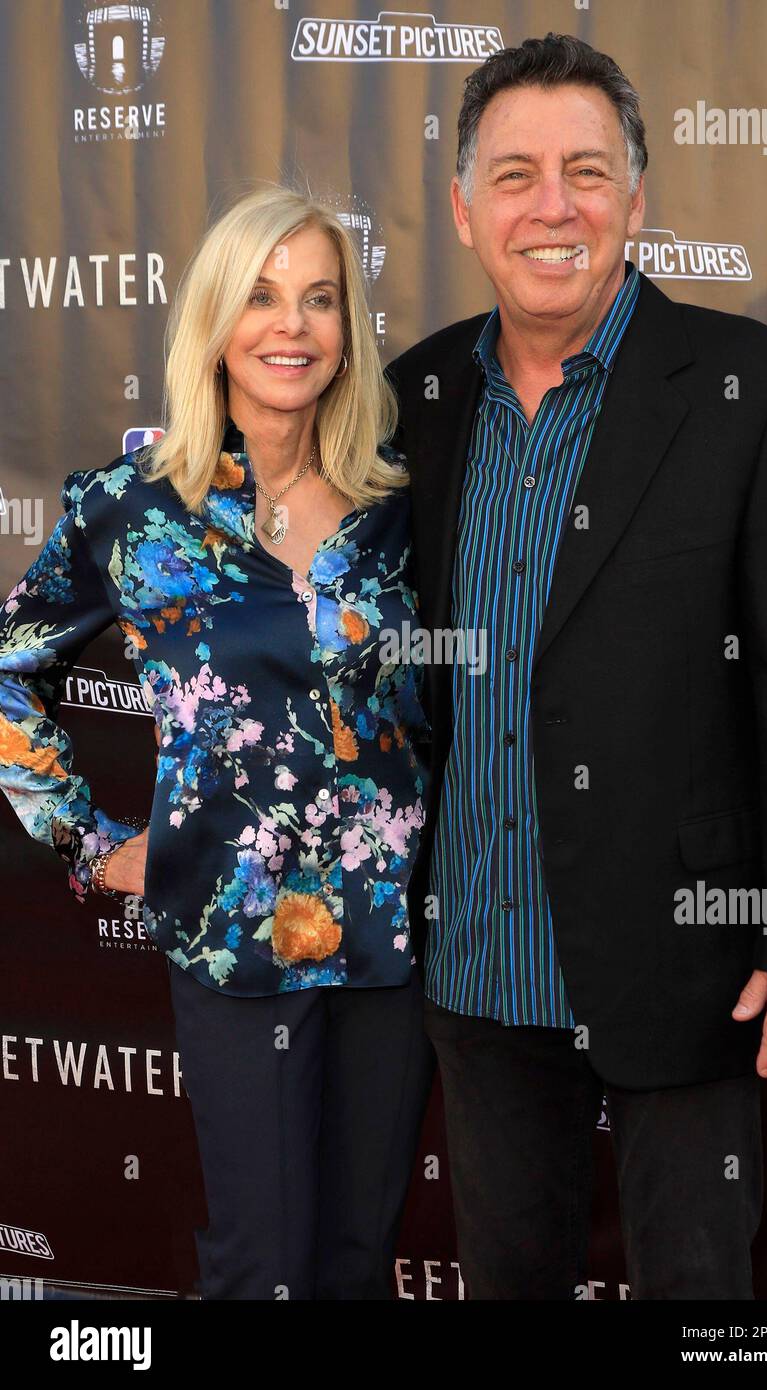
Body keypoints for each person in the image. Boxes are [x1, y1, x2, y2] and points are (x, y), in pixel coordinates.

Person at [386, 34, 767, 1300]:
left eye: (587, 172)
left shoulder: (756, 391)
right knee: (508, 1280)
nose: (553, 207)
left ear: (637, 199)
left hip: (685, 966)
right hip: (475, 968)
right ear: (461, 207)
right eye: (515, 175)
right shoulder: (411, 399)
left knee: (699, 1295)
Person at [0, 184, 435, 1300]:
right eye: (261, 296)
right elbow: (9, 667)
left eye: (319, 299)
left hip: (393, 940)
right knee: (262, 1265)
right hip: (233, 943)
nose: (292, 325)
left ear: (348, 332)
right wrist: (90, 839)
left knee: (356, 1255)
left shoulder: (401, 499)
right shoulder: (132, 507)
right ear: (214, 322)